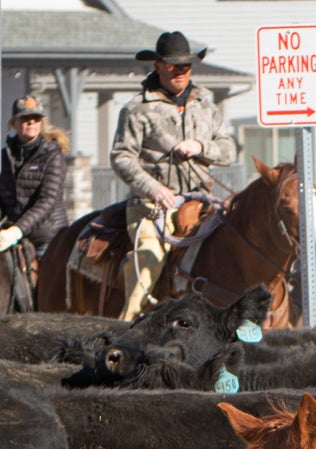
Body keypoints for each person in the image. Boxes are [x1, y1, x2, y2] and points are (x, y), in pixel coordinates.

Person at [111, 30, 236, 321]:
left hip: (202, 201)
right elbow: (121, 157)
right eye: (172, 65)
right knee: (148, 261)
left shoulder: (206, 104)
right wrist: (154, 189)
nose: (180, 71)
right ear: (157, 66)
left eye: (185, 65)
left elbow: (228, 150)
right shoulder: (136, 109)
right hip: (152, 205)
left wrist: (201, 146)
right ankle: (126, 325)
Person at [0, 94, 70, 259]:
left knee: (44, 284)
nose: (31, 122)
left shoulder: (53, 156)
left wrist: (18, 230)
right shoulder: (3, 157)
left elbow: (48, 201)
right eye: (25, 118)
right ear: (14, 123)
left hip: (47, 239)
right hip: (12, 237)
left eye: (36, 118)